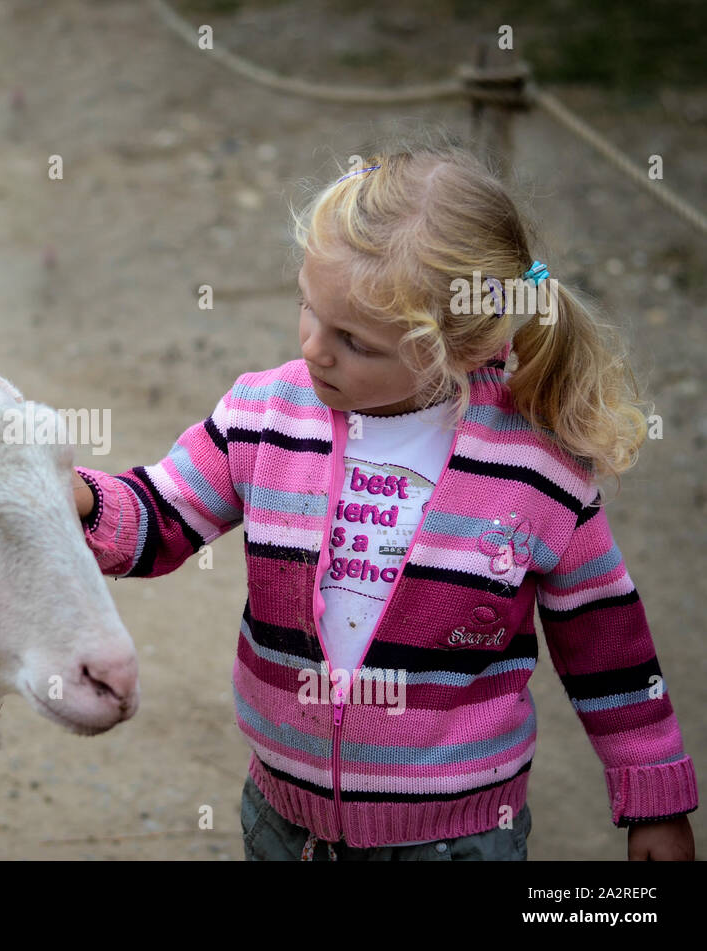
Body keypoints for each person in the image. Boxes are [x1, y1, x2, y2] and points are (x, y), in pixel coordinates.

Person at [69, 138, 697, 860]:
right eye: (308, 307)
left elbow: (608, 648)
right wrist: (82, 500)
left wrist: (653, 793)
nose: (313, 348)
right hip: (286, 821)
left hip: (458, 840)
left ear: (462, 345)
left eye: (354, 341)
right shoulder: (266, 415)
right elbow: (160, 515)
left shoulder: (537, 468)